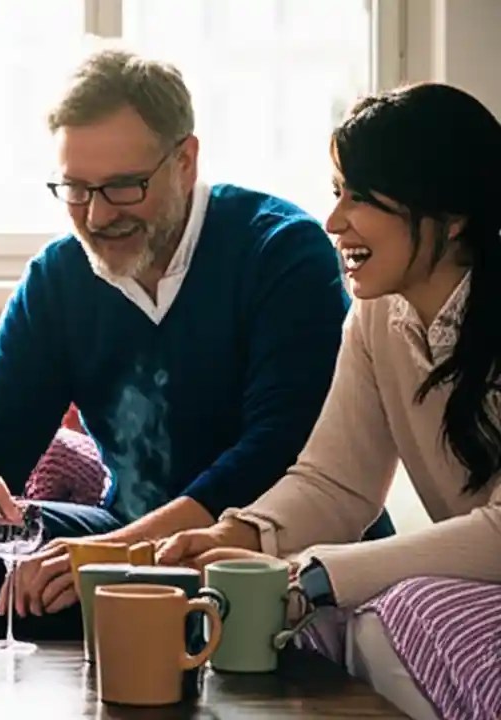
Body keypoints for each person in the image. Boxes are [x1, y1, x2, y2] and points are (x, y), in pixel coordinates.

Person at [0, 48, 392, 640]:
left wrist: (119, 551)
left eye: (123, 187)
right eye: (76, 189)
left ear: (185, 161)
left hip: (271, 546)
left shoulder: (281, 251)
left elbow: (280, 449)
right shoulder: (58, 278)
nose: (97, 215)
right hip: (129, 538)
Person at [157, 82, 501, 720]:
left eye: (362, 197)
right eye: (337, 190)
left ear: (453, 218)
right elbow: (337, 483)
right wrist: (242, 536)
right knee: (342, 623)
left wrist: (308, 577)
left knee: (402, 610)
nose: (334, 221)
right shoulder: (375, 316)